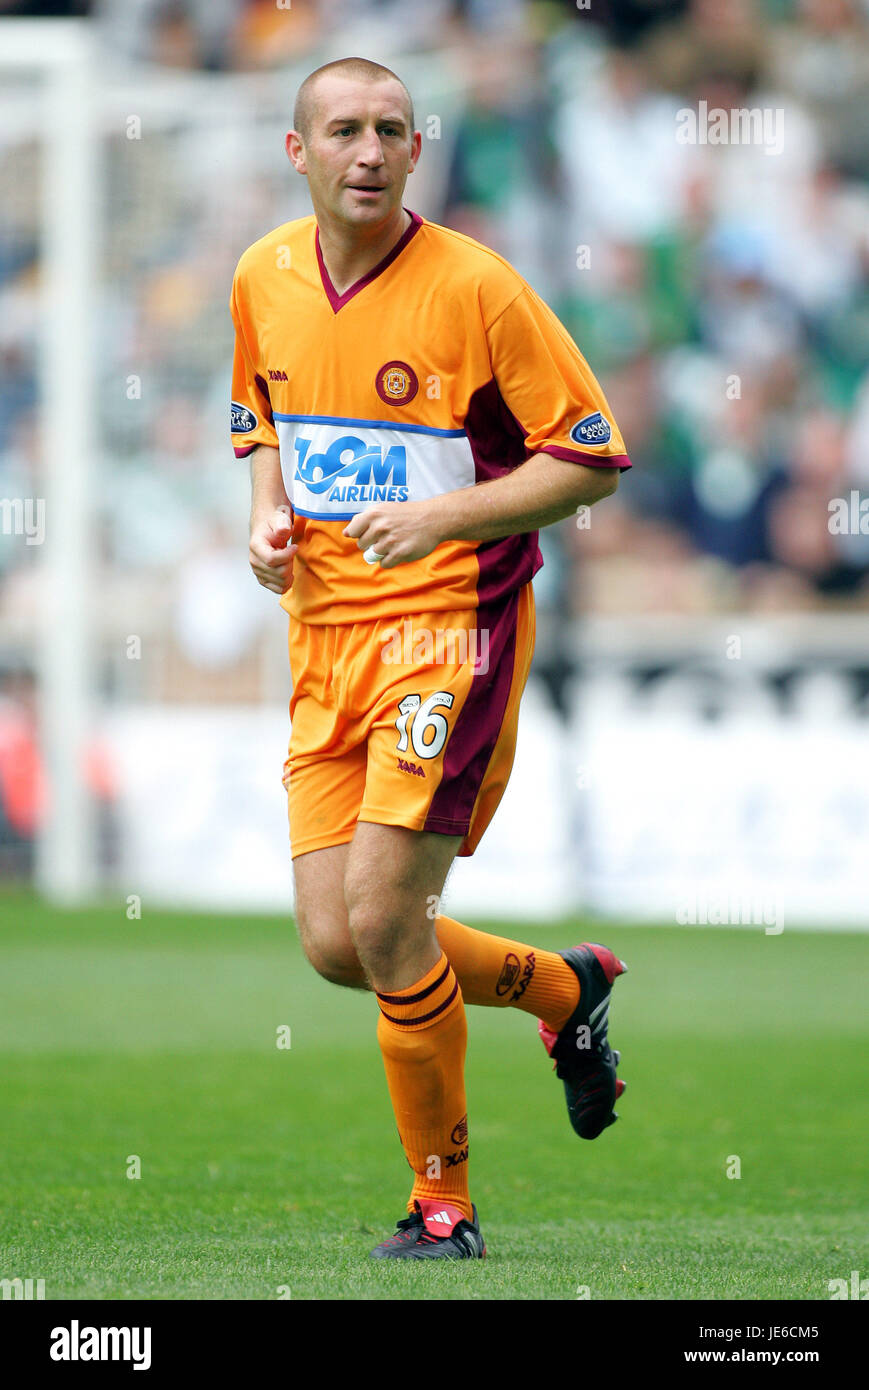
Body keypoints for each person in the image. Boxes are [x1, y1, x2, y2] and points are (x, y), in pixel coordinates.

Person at [229, 56, 631, 1261]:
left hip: (443, 635)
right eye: (343, 130)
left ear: (417, 150)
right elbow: (260, 412)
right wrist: (264, 513)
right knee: (339, 943)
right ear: (298, 152)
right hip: (323, 634)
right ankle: (563, 992)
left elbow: (591, 456)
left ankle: (442, 1203)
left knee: (383, 912)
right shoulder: (262, 274)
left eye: (389, 131)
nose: (367, 150)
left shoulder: (478, 287)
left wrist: (441, 520)